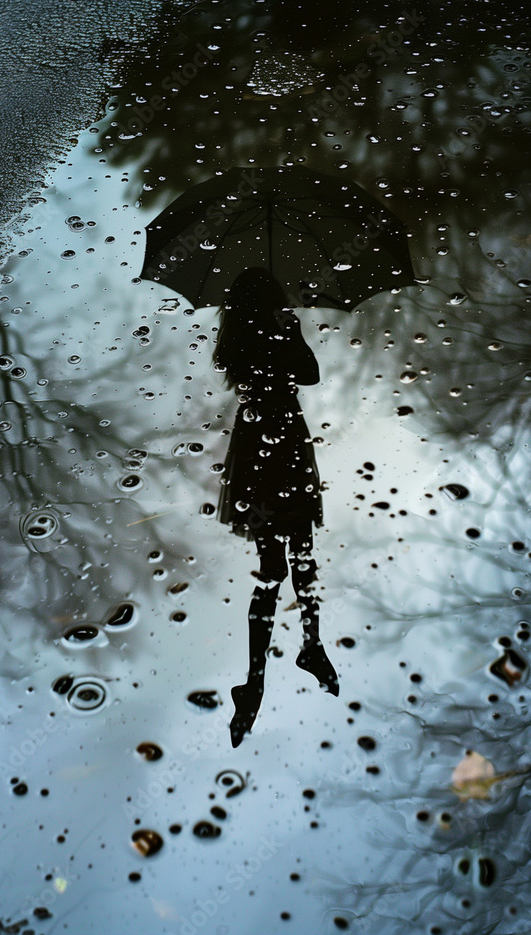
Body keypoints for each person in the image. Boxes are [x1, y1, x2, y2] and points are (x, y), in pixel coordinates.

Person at [213, 267, 339, 747]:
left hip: (257, 443)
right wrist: (289, 330)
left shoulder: (235, 335)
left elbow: (284, 375)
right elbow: (308, 373)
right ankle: (308, 646)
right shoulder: (272, 328)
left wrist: (283, 332)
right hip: (281, 437)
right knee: (297, 553)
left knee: (276, 564)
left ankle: (261, 676)